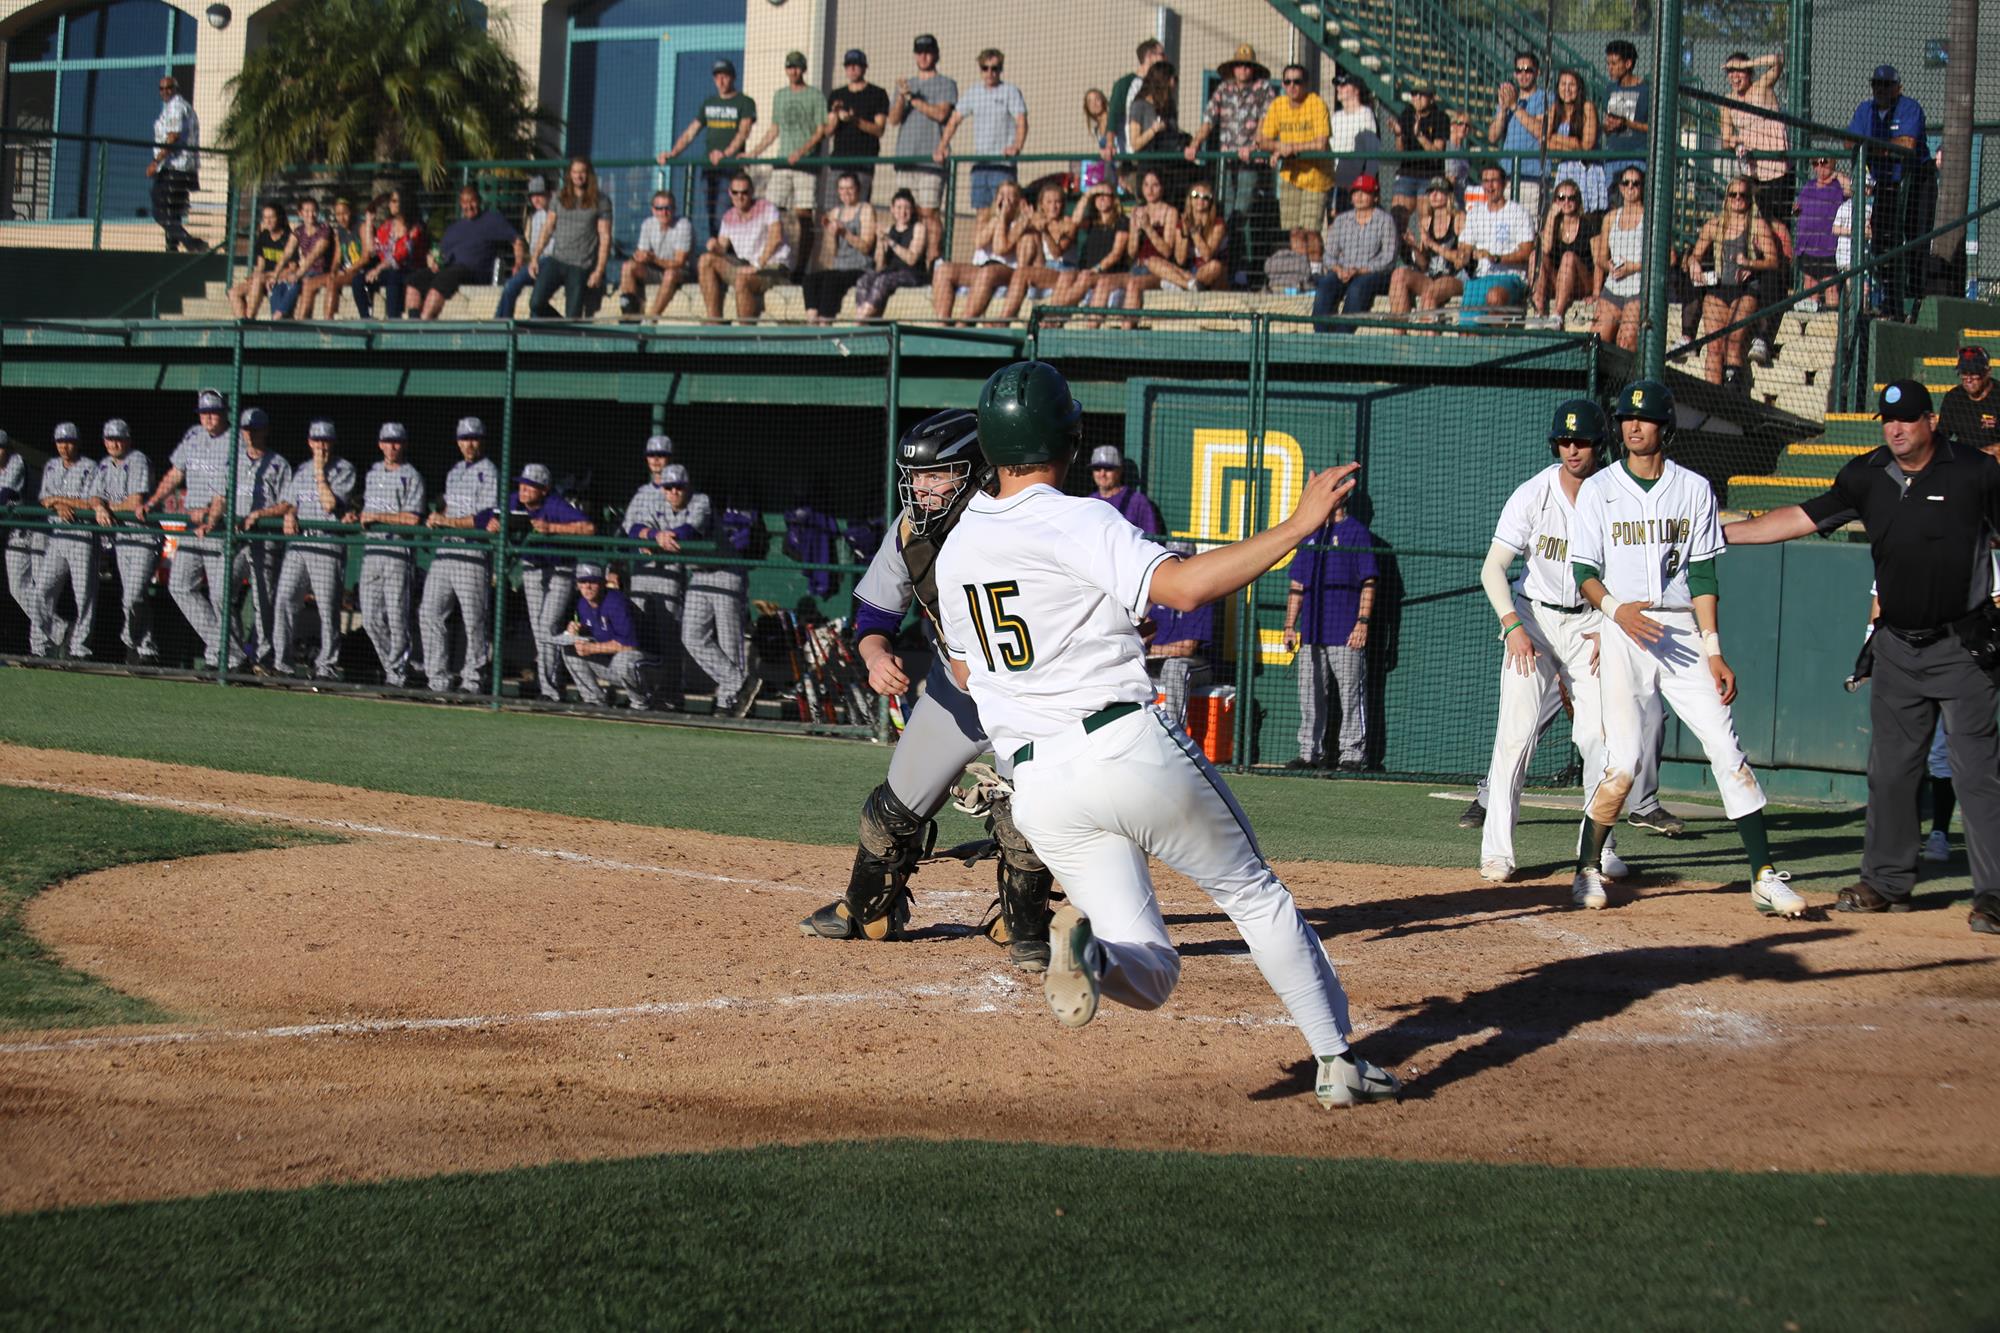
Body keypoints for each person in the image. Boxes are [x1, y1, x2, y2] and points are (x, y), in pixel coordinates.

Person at [935, 359, 1400, 1108]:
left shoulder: (958, 545)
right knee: (1253, 895)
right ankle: (1337, 1061)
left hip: (1037, 783)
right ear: (1069, 438)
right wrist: (1298, 524)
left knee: (1150, 972)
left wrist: (1096, 628)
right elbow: (1184, 588)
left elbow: (966, 670)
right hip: (1122, 744)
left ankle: (1089, 953)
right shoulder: (1079, 516)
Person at [1725, 379, 2000, 935]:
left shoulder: (1975, 472)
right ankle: (1886, 882)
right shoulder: (1867, 474)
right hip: (1897, 645)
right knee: (1890, 772)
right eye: (1888, 419)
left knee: (1977, 774)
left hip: (1963, 646)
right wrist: (1724, 534)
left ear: (1931, 422)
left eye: (1907, 418)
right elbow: (1802, 516)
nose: (1896, 428)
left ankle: (1993, 895)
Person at [798, 410, 1057, 972]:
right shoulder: (912, 529)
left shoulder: (1032, 521)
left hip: (1029, 701)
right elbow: (874, 614)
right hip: (954, 696)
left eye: (936, 475)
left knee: (1027, 819)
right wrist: (875, 655)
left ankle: (1025, 923)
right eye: (916, 477)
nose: (921, 488)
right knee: (892, 809)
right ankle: (869, 910)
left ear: (977, 471)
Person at [1567, 379, 1804, 917]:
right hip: (1623, 627)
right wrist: (1616, 613)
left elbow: (1703, 575)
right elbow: (1583, 572)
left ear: (1665, 427)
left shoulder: (1694, 488)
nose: (1634, 426)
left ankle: (1763, 875)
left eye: (1645, 418)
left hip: (1679, 631)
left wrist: (1714, 649)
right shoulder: (1600, 488)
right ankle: (1586, 867)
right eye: (1627, 418)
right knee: (1623, 761)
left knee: (1725, 746)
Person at [1475, 399, 1634, 884]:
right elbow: (1493, 568)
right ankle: (1497, 852)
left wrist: (1611, 628)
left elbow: (1629, 573)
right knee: (1515, 735)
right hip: (1534, 618)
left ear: (1598, 444)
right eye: (1564, 441)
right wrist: (1512, 625)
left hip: (1591, 624)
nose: (1572, 449)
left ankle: (1598, 848)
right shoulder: (1533, 494)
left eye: (1581, 441)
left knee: (1600, 739)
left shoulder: (1616, 496)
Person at [138, 389, 241, 670]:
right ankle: (226, 651)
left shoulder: (235, 440)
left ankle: (228, 658)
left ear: (224, 413)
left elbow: (229, 489)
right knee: (180, 585)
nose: (208, 418)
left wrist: (210, 514)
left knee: (220, 597)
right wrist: (152, 501)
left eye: (214, 412)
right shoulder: (194, 435)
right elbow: (176, 473)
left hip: (220, 526)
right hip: (193, 527)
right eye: (204, 413)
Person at [1282, 496, 1377, 770]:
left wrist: (1362, 622)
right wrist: (1290, 626)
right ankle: (1310, 753)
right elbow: (1297, 584)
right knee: (1309, 694)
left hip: (1346, 631)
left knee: (1351, 695)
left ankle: (1352, 754)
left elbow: (1369, 581)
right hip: (1311, 632)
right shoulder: (1311, 533)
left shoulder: (1356, 532)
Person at [486, 462, 593, 703]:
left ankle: (551, 691)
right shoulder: (514, 500)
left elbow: (588, 527)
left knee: (546, 625)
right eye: (522, 484)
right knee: (539, 629)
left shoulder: (554, 504)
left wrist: (552, 527)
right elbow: (493, 516)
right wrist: (493, 523)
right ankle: (549, 686)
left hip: (560, 569)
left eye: (530, 486)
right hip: (533, 569)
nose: (523, 489)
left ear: (544, 489)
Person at [418, 416, 500, 696]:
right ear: (458, 442)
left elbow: (486, 517)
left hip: (472, 551)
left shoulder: (489, 471)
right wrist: (437, 517)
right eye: (465, 439)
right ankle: (437, 680)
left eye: (474, 438)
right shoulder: (454, 472)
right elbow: (448, 508)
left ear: (482, 441)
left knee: (474, 619)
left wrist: (447, 521)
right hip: (446, 551)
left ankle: (473, 681)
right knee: (429, 612)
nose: (469, 444)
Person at [273, 419, 356, 681]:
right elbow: (290, 503)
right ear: (309, 442)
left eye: (326, 441)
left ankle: (326, 667)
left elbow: (330, 504)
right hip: (300, 544)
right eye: (317, 441)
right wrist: (290, 514)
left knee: (328, 608)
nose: (321, 446)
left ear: (333, 442)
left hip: (326, 542)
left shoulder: (344, 469)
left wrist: (320, 472)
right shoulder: (301, 470)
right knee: (285, 598)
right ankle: (282, 664)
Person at [671, 465, 757, 717]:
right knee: (692, 636)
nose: (673, 491)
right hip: (699, 575)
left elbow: (687, 532)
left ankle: (729, 702)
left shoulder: (701, 503)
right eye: (668, 487)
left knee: (730, 641)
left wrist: (663, 537)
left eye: (678, 487)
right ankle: (739, 683)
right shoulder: (660, 506)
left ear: (688, 488)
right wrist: (652, 535)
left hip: (725, 572)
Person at [1849, 66, 1928, 321]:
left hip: (1916, 183)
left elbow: (1907, 144)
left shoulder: (1909, 108)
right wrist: (1885, 148)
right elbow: (1849, 141)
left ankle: (1914, 302)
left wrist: (1871, 146)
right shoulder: (1865, 110)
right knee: (1881, 243)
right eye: (1876, 84)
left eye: (1885, 84)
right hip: (1886, 184)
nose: (1880, 89)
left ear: (1897, 87)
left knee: (1915, 238)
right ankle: (1889, 302)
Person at [1688, 176, 1781, 390]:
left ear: (1750, 199)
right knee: (1714, 347)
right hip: (1719, 289)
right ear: (1727, 198)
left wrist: (1751, 263)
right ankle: (1711, 396)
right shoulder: (1714, 225)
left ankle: (1731, 397)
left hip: (1746, 290)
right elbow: (1695, 255)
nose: (1738, 199)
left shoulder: (1757, 225)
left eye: (1743, 195)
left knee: (1733, 341)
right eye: (1733, 195)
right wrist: (1694, 264)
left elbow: (1773, 260)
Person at [353, 423, 424, 688]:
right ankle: (397, 667)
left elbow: (412, 518)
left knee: (397, 617)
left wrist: (377, 517)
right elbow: (366, 512)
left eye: (397, 442)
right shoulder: (373, 473)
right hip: (372, 552)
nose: (392, 446)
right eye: (388, 441)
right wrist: (358, 516)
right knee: (371, 619)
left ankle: (397, 676)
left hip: (397, 553)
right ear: (380, 444)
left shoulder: (411, 475)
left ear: (404, 445)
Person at [748, 50, 828, 278]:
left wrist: (801, 152)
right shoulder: (780, 96)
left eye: (797, 67)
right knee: (772, 211)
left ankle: (801, 268)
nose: (793, 72)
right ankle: (773, 259)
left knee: (804, 215)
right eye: (790, 67)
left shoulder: (815, 96)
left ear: (803, 69)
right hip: (782, 164)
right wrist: (754, 152)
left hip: (806, 166)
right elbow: (774, 129)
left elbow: (820, 130)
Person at [621, 436, 689, 706]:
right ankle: (644, 690)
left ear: (670, 458)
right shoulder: (641, 494)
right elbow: (628, 528)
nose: (657, 459)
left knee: (669, 632)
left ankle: (672, 691)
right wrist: (645, 539)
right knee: (641, 632)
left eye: (662, 455)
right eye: (652, 455)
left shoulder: (682, 492)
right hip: (642, 572)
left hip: (669, 572)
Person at [660, 58, 757, 242]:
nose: (721, 81)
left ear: (733, 77)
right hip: (709, 168)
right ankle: (716, 249)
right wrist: (673, 153)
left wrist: (725, 154)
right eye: (717, 77)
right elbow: (691, 132)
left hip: (730, 169)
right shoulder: (708, 103)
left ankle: (729, 250)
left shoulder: (744, 102)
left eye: (725, 76)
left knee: (725, 212)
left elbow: (743, 132)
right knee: (710, 214)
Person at [228, 407, 292, 671]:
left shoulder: (279, 463)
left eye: (255, 429)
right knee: (221, 593)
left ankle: (262, 656)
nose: (250, 434)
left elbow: (288, 503)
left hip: (265, 539)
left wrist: (260, 514)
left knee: (262, 601)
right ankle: (235, 654)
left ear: (265, 431)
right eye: (246, 429)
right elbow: (221, 495)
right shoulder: (233, 461)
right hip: (237, 539)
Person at [92, 418, 160, 666]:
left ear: (128, 440)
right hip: (122, 539)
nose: (114, 443)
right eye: (110, 439)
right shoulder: (104, 464)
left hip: (144, 536)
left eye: (118, 439)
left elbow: (134, 503)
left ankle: (130, 640)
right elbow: (94, 497)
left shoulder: (137, 459)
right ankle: (145, 649)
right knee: (131, 598)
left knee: (133, 596)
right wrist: (99, 507)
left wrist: (107, 508)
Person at [1187, 45, 1275, 230]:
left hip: (1251, 159)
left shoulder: (1263, 88)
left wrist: (1254, 146)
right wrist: (1195, 144)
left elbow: (1266, 122)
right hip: (1226, 160)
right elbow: (1208, 120)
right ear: (1234, 68)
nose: (1243, 69)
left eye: (1247, 66)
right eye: (1239, 65)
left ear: (1253, 69)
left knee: (1242, 206)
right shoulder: (1223, 89)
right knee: (1224, 207)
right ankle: (1225, 242)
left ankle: (1235, 242)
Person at [33, 422, 100, 660]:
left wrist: (59, 501)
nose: (64, 446)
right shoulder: (51, 465)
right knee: (42, 590)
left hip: (82, 536)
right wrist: (57, 504)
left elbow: (91, 503)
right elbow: (44, 499)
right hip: (58, 536)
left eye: (69, 442)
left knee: (84, 596)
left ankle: (80, 649)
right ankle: (39, 647)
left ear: (77, 443)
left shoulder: (90, 467)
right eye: (60, 442)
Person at [937, 48, 1028, 218]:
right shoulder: (974, 93)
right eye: (985, 68)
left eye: (995, 68)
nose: (990, 73)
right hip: (981, 165)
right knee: (982, 215)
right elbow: (954, 120)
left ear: (1001, 69)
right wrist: (941, 147)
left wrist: (1016, 146)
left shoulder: (1010, 92)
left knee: (1005, 213)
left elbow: (1021, 121)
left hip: (1002, 165)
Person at [411, 187, 519, 320]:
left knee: (446, 277)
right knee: (415, 280)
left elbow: (517, 241)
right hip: (450, 271)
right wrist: (432, 259)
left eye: (472, 201)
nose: (469, 206)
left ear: (479, 201)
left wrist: (518, 263)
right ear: (460, 204)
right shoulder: (453, 228)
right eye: (465, 202)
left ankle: (425, 321)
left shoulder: (492, 219)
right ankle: (412, 323)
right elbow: (439, 253)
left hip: (473, 273)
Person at [929, 177, 1026, 324]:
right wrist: (997, 219)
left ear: (1018, 201)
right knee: (943, 270)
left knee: (987, 272)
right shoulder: (987, 219)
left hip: (1006, 271)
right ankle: (943, 324)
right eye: (1002, 195)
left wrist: (1003, 219)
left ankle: (963, 323)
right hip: (981, 268)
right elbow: (979, 242)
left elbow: (1001, 248)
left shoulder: (1020, 223)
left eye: (1010, 196)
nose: (1005, 200)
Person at [2, 430, 64, 659]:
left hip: (40, 528)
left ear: (7, 449)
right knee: (18, 587)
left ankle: (40, 648)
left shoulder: (16, 462)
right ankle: (59, 630)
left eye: (0, 448)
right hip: (17, 532)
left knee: (40, 589)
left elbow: (5, 494)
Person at [887, 35, 957, 236]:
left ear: (936, 55)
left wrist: (914, 100)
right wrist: (902, 97)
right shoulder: (906, 85)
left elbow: (941, 114)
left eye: (928, 52)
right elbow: (893, 119)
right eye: (919, 53)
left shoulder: (946, 84)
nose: (923, 57)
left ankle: (935, 255)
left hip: (931, 160)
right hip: (906, 159)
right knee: (905, 215)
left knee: (929, 214)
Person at [697, 172, 790, 321]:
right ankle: (713, 322)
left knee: (742, 278)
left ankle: (745, 331)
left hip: (772, 268)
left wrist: (759, 264)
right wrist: (714, 246)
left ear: (752, 192)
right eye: (735, 192)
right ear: (730, 193)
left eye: (744, 192)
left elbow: (776, 237)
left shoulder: (767, 208)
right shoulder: (728, 217)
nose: (740, 197)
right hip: (746, 266)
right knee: (705, 260)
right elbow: (722, 248)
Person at [562, 562, 653, 710]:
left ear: (603, 583)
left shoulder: (616, 602)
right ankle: (594, 701)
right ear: (577, 585)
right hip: (613, 665)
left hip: (648, 666)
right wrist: (578, 630)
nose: (587, 587)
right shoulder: (582, 603)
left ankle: (640, 704)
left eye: (592, 582)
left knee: (623, 659)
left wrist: (592, 648)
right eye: (583, 582)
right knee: (570, 649)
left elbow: (629, 645)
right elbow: (597, 631)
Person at [1312, 174, 1397, 331]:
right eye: (1355, 192)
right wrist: (1339, 269)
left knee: (1358, 287)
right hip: (1343, 271)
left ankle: (1343, 334)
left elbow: (1388, 259)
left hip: (1373, 274)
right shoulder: (1341, 220)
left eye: (1364, 192)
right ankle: (1321, 334)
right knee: (1325, 285)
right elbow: (1329, 255)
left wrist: (1359, 271)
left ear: (1375, 197)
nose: (1359, 196)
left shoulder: (1385, 220)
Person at [1254, 66, 1332, 235]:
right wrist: (1280, 147)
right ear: (1283, 84)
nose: (1292, 86)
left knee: (1311, 233)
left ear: (1306, 84)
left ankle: (1316, 255)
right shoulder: (1278, 105)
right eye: (1287, 81)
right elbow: (1262, 142)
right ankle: (1298, 255)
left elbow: (1321, 144)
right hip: (1290, 176)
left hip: (1316, 176)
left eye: (1297, 81)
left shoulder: (1317, 104)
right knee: (1294, 233)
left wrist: (1291, 148)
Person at [529, 159, 611, 320]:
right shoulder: (559, 197)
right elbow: (548, 227)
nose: (578, 176)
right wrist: (535, 257)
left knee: (573, 315)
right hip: (557, 260)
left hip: (581, 265)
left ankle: (569, 329)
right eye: (575, 172)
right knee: (536, 303)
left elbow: (605, 237)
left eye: (582, 172)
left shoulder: (601, 201)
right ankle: (563, 327)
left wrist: (599, 271)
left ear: (589, 174)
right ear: (570, 174)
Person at [1126, 180, 1227, 308]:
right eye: (1196, 195)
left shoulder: (1218, 224)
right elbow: (1180, 259)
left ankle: (1183, 283)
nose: (1200, 200)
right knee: (1152, 261)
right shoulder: (1182, 223)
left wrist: (1193, 231)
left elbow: (1207, 256)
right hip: (1188, 272)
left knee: (1215, 266)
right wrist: (1185, 233)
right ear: (1190, 199)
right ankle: (1188, 285)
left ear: (1211, 201)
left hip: (1208, 272)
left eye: (1205, 197)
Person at [1459, 165, 1535, 323]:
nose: (1489, 186)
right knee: (1467, 327)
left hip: (1510, 277)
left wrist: (1496, 258)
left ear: (1504, 183)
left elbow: (1527, 251)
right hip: (1479, 278)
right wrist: (1466, 255)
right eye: (1485, 181)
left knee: (1494, 297)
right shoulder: (1475, 213)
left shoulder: (1518, 212)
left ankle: (1496, 337)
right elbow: (1464, 246)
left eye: (1494, 181)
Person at [1388, 177, 1468, 326]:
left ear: (1448, 195)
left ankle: (1427, 336)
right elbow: (1424, 264)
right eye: (1431, 192)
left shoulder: (1459, 218)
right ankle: (1399, 333)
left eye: (1439, 191)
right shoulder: (1426, 221)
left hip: (1454, 277)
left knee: (1430, 293)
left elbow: (1460, 259)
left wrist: (1431, 244)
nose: (1434, 195)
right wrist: (1414, 247)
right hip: (1431, 277)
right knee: (1399, 275)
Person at [1720, 52, 1789, 219]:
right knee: (1754, 222)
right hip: (1752, 172)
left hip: (1777, 169)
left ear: (1749, 72)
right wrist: (1732, 141)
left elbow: (1778, 60)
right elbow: (1725, 140)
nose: (1735, 76)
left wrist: (1747, 63)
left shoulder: (1762, 87)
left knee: (1778, 223)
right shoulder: (1727, 101)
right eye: (1730, 71)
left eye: (1739, 70)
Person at [801, 172, 876, 323]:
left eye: (850, 188)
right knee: (809, 279)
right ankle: (812, 320)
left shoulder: (865, 209)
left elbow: (866, 246)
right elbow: (832, 252)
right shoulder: (836, 212)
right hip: (839, 267)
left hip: (859, 267)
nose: (846, 193)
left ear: (858, 189)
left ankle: (825, 321)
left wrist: (844, 233)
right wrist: (830, 233)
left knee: (832, 280)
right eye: (842, 188)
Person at [999, 180, 1079, 321]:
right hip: (1043, 267)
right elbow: (1004, 246)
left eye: (1057, 202)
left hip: (1063, 270)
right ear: (1042, 204)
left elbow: (1057, 253)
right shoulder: (1036, 220)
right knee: (1028, 238)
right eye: (1049, 202)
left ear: (1063, 204)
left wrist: (1045, 232)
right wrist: (1024, 221)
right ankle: (1005, 317)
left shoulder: (1069, 224)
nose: (1053, 207)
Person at [852, 188, 934, 318]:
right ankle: (863, 316)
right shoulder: (889, 230)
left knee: (883, 281)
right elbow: (880, 266)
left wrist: (891, 242)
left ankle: (859, 320)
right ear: (892, 209)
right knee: (864, 280)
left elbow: (912, 259)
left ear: (912, 210)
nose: (902, 212)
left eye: (907, 208)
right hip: (891, 272)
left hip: (912, 274)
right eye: (899, 208)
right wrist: (880, 242)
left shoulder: (918, 228)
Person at [1053, 186, 1133, 321]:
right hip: (1087, 271)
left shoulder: (1122, 221)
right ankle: (1057, 318)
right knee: (1067, 276)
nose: (1101, 198)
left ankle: (1052, 312)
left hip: (1109, 273)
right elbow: (1075, 221)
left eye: (1105, 195)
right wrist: (1088, 194)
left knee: (1085, 277)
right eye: (1098, 196)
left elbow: (1116, 253)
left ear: (1113, 199)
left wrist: (1096, 269)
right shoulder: (1092, 221)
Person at [1116, 169, 1182, 325]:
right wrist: (1136, 232)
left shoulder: (1170, 212)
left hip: (1157, 270)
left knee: (1133, 285)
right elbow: (1131, 252)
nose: (1150, 190)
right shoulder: (1137, 211)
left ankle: (1126, 330)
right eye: (1146, 185)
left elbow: (1166, 251)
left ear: (1162, 187)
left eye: (1155, 185)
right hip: (1137, 267)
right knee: (1104, 283)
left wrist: (1148, 228)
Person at [1488, 52, 1550, 217]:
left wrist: (1514, 106)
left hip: (1532, 177)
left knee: (1530, 225)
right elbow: (1492, 136)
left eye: (1528, 70)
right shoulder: (1509, 100)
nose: (1523, 75)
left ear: (1537, 72)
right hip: (1507, 177)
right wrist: (1503, 109)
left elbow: (1540, 131)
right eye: (1519, 70)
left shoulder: (1544, 98)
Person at [824, 49, 889, 205]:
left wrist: (854, 120)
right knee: (832, 209)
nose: (852, 69)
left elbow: (879, 130)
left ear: (864, 67)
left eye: (856, 65)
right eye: (848, 65)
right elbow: (828, 131)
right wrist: (836, 114)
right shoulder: (836, 94)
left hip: (863, 163)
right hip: (839, 163)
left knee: (859, 209)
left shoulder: (877, 94)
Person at [1592, 167, 1646, 351]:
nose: (1630, 187)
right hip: (1613, 286)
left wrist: (1633, 267)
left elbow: (1669, 258)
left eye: (1635, 183)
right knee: (1596, 338)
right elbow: (1600, 258)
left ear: (1642, 187)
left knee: (1626, 341)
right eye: (1626, 183)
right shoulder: (1610, 218)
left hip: (1638, 288)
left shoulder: (1649, 218)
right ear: (1621, 188)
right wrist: (1609, 265)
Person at [1530, 179, 1597, 324]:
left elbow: (1598, 261)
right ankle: (1538, 311)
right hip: (1559, 281)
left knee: (1568, 257)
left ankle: (1557, 314)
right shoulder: (1552, 224)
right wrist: (1551, 216)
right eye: (1561, 198)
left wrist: (1596, 293)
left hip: (1582, 282)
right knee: (1536, 256)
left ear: (1577, 201)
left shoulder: (1588, 225)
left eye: (1571, 198)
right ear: (1555, 201)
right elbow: (1546, 249)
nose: (1566, 202)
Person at [148, 74, 202, 253]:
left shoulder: (176, 107)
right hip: (185, 168)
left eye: (169, 87)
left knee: (159, 211)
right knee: (173, 212)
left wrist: (156, 162)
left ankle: (192, 243)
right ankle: (172, 249)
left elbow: (173, 136)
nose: (165, 91)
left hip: (175, 167)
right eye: (161, 88)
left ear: (176, 89)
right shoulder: (183, 107)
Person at [620, 190, 694, 320]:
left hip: (681, 272)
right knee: (627, 267)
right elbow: (642, 254)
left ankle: (651, 318)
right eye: (659, 208)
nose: (664, 212)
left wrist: (652, 258)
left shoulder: (683, 225)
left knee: (670, 274)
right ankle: (630, 316)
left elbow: (679, 262)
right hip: (655, 270)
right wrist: (639, 257)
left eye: (667, 208)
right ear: (653, 210)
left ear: (674, 209)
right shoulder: (648, 224)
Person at [359, 189, 427, 320]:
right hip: (387, 270)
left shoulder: (415, 229)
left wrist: (378, 269)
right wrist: (369, 222)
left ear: (404, 203)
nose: (390, 204)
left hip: (408, 271)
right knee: (359, 280)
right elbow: (372, 249)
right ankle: (365, 319)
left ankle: (393, 319)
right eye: (390, 201)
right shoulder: (387, 226)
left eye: (394, 201)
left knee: (393, 276)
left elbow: (400, 255)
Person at [1124, 61, 1185, 204]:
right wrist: (1153, 130)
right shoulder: (1139, 106)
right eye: (1172, 78)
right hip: (1149, 168)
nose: (1174, 83)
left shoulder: (1169, 106)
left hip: (1169, 169)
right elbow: (1135, 143)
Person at [1792, 156, 1848, 311]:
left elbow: (1852, 190)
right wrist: (1796, 210)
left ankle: (1832, 319)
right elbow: (1798, 209)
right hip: (1808, 245)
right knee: (1810, 285)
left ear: (1833, 163)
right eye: (1815, 163)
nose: (1819, 167)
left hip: (1828, 247)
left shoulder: (1837, 186)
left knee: (1831, 287)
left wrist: (1837, 175)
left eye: (1824, 162)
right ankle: (1812, 320)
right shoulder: (1809, 186)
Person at [302, 197, 371, 320]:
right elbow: (337, 258)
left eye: (345, 213)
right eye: (338, 214)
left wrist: (346, 271)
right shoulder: (339, 231)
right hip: (343, 272)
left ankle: (328, 321)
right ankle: (300, 322)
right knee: (309, 284)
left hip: (359, 272)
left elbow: (366, 257)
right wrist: (333, 270)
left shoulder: (362, 227)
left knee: (333, 282)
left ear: (351, 212)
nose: (342, 218)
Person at [1109, 38, 1165, 184]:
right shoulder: (1126, 84)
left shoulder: (1157, 86)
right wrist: (1110, 145)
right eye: (1161, 54)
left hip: (1152, 156)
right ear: (1149, 56)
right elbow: (1113, 116)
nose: (1164, 58)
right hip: (1131, 157)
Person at [1546, 68, 1602, 213]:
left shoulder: (1587, 107)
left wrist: (1555, 138)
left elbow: (1586, 145)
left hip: (1586, 170)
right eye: (1563, 84)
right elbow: (1544, 141)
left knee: (1587, 214)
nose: (1567, 89)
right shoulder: (1554, 109)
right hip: (1565, 169)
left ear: (1579, 88)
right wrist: (1574, 145)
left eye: (1571, 85)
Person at [1390, 80, 1449, 216]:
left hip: (1430, 175)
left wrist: (1419, 136)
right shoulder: (1406, 115)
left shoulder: (1440, 118)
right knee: (1397, 216)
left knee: (1426, 219)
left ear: (1431, 98)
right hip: (1407, 173)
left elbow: (1437, 153)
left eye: (1422, 94)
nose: (1417, 98)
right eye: (1414, 94)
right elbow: (1400, 152)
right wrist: (1398, 135)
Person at [494, 178, 551, 319]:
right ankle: (501, 323)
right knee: (510, 286)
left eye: (539, 195)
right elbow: (532, 249)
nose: (535, 199)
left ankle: (535, 327)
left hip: (551, 264)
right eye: (532, 196)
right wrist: (521, 263)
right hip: (535, 264)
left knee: (537, 297)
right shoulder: (535, 217)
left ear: (548, 194)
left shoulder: (557, 215)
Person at [230, 203, 292, 320]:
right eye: (265, 217)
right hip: (263, 278)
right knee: (233, 292)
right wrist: (255, 275)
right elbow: (260, 265)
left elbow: (293, 269)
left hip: (280, 278)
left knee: (258, 280)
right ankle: (243, 323)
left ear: (279, 218)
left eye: (271, 217)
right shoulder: (264, 236)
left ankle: (250, 318)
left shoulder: (289, 238)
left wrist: (267, 275)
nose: (268, 221)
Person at [1325, 74, 1376, 213]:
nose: (1338, 88)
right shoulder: (1336, 117)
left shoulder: (1365, 114)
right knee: (1335, 220)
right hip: (1335, 179)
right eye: (1338, 86)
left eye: (1343, 85)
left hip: (1356, 182)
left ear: (1356, 90)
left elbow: (1370, 151)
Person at [1601, 39, 1650, 184]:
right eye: (1608, 64)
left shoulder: (1646, 91)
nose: (1610, 68)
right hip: (1612, 156)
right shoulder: (1609, 89)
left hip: (1637, 157)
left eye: (1614, 63)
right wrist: (1607, 127)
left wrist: (1627, 123)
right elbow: (1606, 127)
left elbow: (1653, 128)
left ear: (1628, 64)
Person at [1087, 445, 1161, 534]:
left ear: (1119, 471)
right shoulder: (1090, 502)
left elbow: (1151, 536)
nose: (1102, 474)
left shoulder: (1138, 502)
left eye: (1108, 468)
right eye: (1097, 469)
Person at [278, 198, 330, 321]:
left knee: (302, 282)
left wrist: (298, 274)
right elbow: (287, 253)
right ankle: (281, 316)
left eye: (314, 211)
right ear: (300, 213)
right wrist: (276, 274)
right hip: (305, 270)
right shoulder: (298, 231)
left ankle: (294, 318)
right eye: (306, 211)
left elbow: (314, 255)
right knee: (280, 282)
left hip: (320, 271)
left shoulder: (324, 229)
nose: (311, 214)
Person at [1941, 346, 1998, 453]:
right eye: (1964, 373)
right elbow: (1942, 437)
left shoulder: (1997, 397)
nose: (1968, 379)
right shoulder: (1953, 397)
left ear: (1988, 372)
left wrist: (1978, 456)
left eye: (1973, 372)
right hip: (1963, 458)